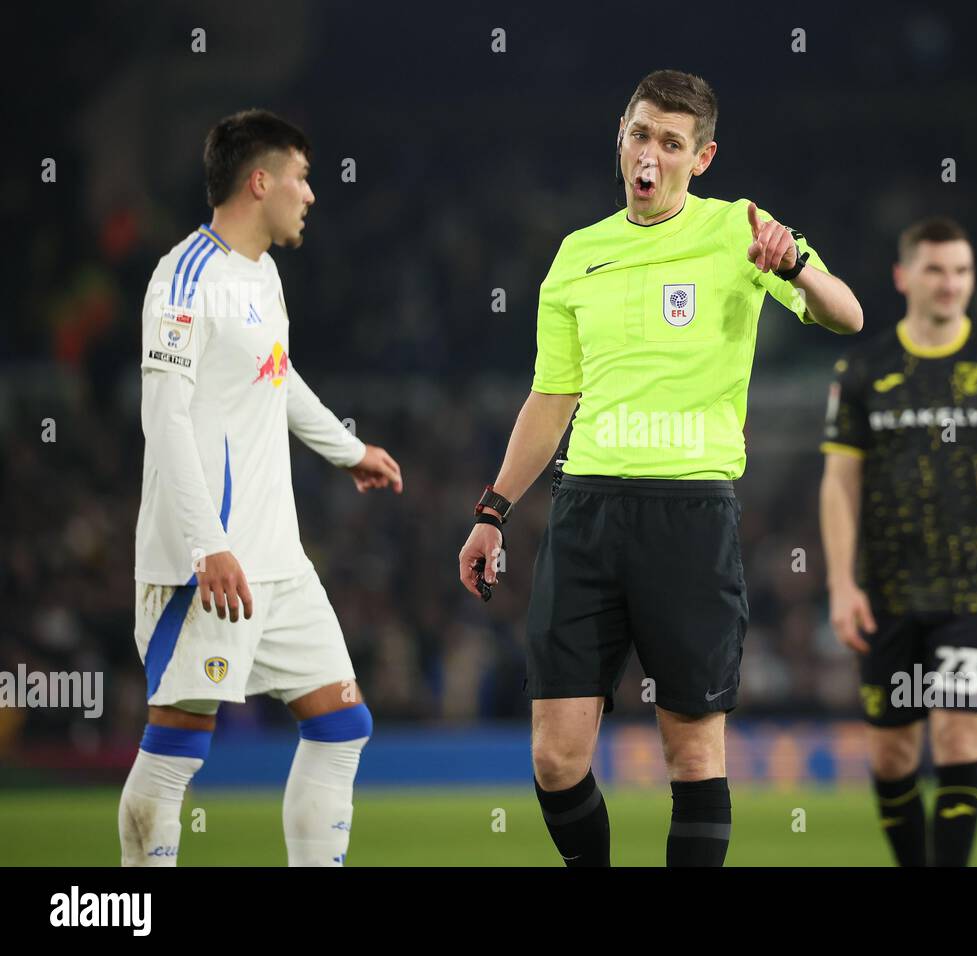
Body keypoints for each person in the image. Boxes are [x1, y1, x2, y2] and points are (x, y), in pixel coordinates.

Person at [458, 69, 863, 867]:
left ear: (701, 158)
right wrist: (492, 509)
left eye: (671, 143)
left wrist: (794, 269)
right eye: (640, 134)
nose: (651, 154)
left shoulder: (741, 232)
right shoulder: (579, 255)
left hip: (690, 515)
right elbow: (551, 399)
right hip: (587, 514)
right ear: (621, 137)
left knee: (692, 757)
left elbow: (845, 314)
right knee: (555, 757)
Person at [121, 109, 403, 867]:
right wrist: (207, 546)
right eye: (302, 178)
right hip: (209, 567)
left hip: (278, 562)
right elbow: (165, 416)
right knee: (177, 748)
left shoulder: (263, 274)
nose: (311, 194)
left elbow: (277, 377)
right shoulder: (184, 279)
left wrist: (347, 451)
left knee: (342, 726)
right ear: (260, 181)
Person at [820, 216, 977, 866]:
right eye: (935, 269)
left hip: (969, 591)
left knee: (958, 739)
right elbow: (839, 483)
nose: (950, 283)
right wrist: (841, 586)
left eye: (961, 270)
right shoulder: (864, 371)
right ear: (904, 277)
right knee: (893, 754)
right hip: (887, 593)